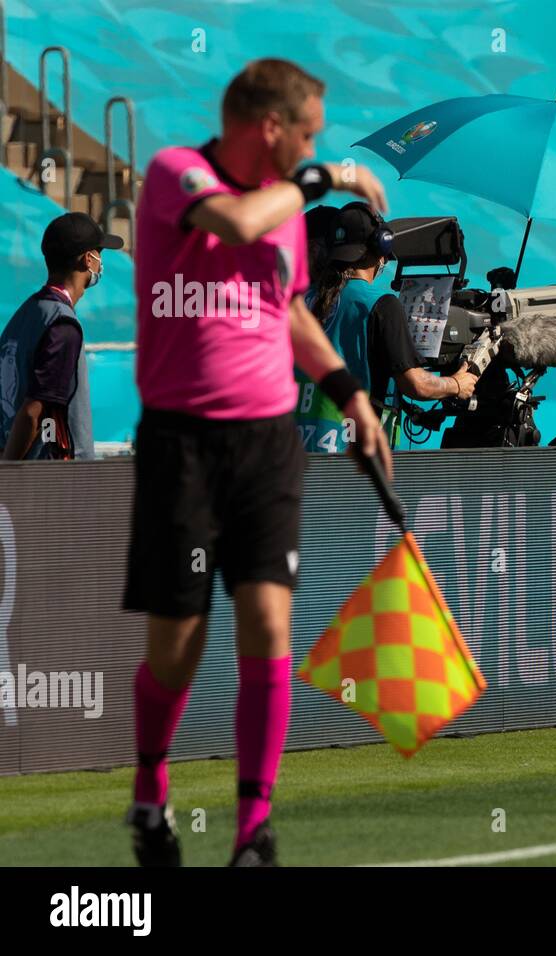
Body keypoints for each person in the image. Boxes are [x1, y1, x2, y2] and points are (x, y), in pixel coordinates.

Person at [122, 58, 393, 867]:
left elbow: (291, 318)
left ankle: (253, 832)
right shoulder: (179, 172)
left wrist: (350, 393)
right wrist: (323, 177)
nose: (318, 146)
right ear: (271, 129)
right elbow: (235, 225)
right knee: (179, 643)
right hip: (182, 441)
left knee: (268, 623)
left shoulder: (285, 211)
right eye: (308, 131)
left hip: (268, 440)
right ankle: (149, 790)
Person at [295, 201, 477, 453]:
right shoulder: (379, 304)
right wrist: (457, 384)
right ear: (380, 246)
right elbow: (416, 385)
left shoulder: (300, 301)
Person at [0, 213, 122, 460]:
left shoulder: (27, 312)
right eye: (99, 254)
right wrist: (7, 476)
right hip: (51, 481)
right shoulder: (62, 324)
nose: (100, 263)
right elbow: (34, 412)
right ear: (88, 260)